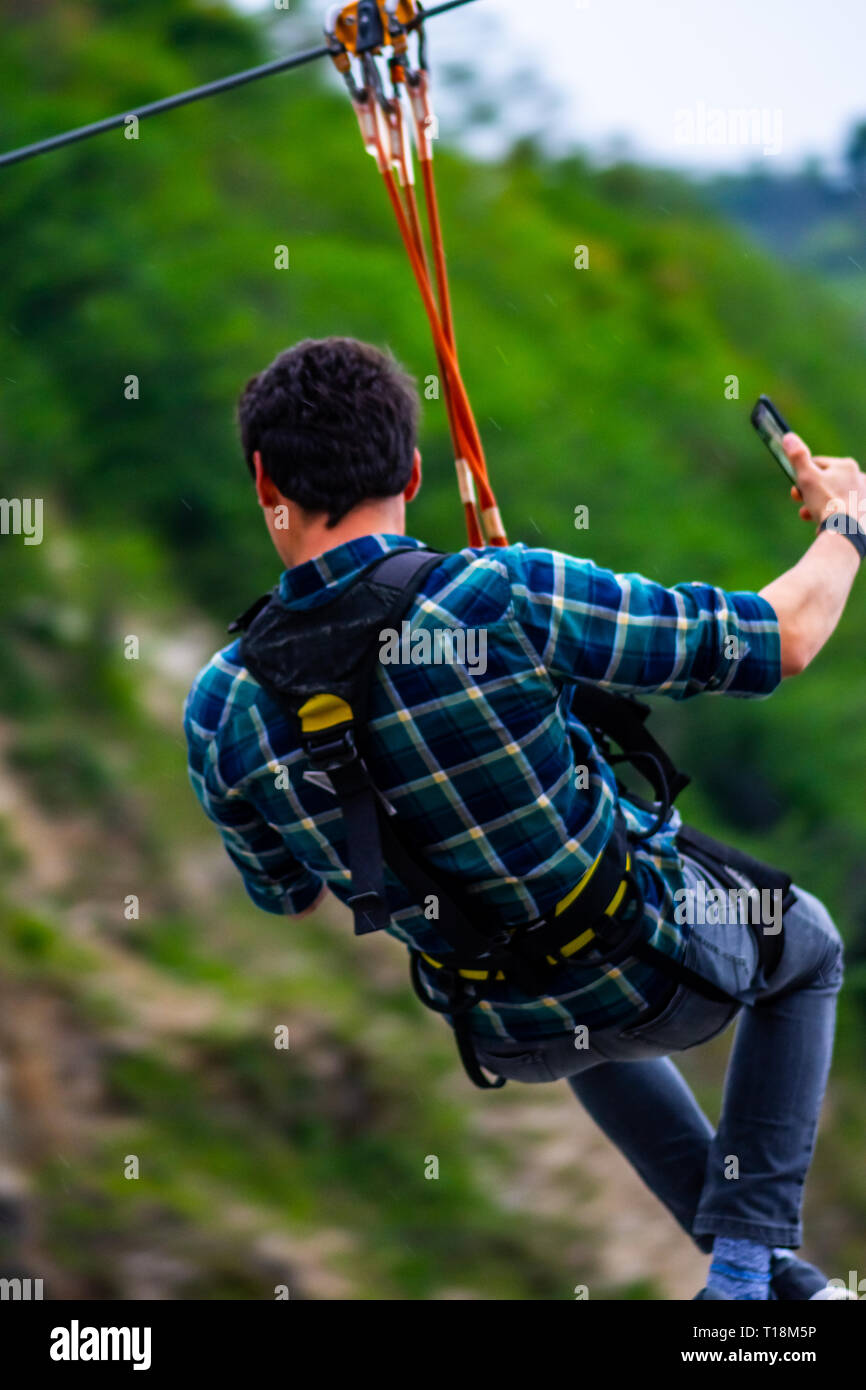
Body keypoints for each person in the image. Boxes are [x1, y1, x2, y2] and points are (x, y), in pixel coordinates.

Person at [184, 336, 865, 1300]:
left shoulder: (221, 706)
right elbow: (780, 639)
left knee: (555, 977)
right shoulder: (499, 595)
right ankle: (749, 1274)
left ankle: (767, 1279)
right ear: (414, 470)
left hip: (503, 1024)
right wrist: (846, 526)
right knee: (805, 944)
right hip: (651, 961)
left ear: (264, 482)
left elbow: (287, 896)